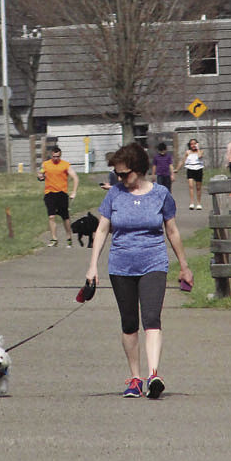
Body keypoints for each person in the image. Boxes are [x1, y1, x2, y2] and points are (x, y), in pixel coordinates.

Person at [86, 143, 193, 399]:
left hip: (153, 263)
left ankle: (154, 374)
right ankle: (135, 378)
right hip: (121, 266)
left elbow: (172, 231)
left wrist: (184, 265)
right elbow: (101, 230)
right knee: (129, 323)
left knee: (152, 318)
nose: (120, 179)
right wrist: (92, 266)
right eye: (117, 175)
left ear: (140, 169)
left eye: (125, 174)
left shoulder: (161, 194)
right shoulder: (114, 195)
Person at [38, 145, 79, 247]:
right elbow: (40, 175)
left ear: (60, 156)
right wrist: (40, 176)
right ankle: (54, 239)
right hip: (49, 193)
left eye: (58, 157)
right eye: (54, 156)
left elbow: (75, 177)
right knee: (51, 216)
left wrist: (74, 192)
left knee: (65, 218)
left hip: (62, 193)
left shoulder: (65, 165)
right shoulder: (46, 164)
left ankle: (69, 238)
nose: (56, 159)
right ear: (51, 155)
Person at [175, 138, 204, 210]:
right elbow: (182, 161)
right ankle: (191, 203)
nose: (193, 145)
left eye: (194, 144)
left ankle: (199, 203)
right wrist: (177, 169)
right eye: (191, 144)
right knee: (191, 186)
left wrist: (198, 148)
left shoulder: (200, 151)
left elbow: (200, 156)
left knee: (198, 187)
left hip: (198, 169)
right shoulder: (188, 152)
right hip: (190, 169)